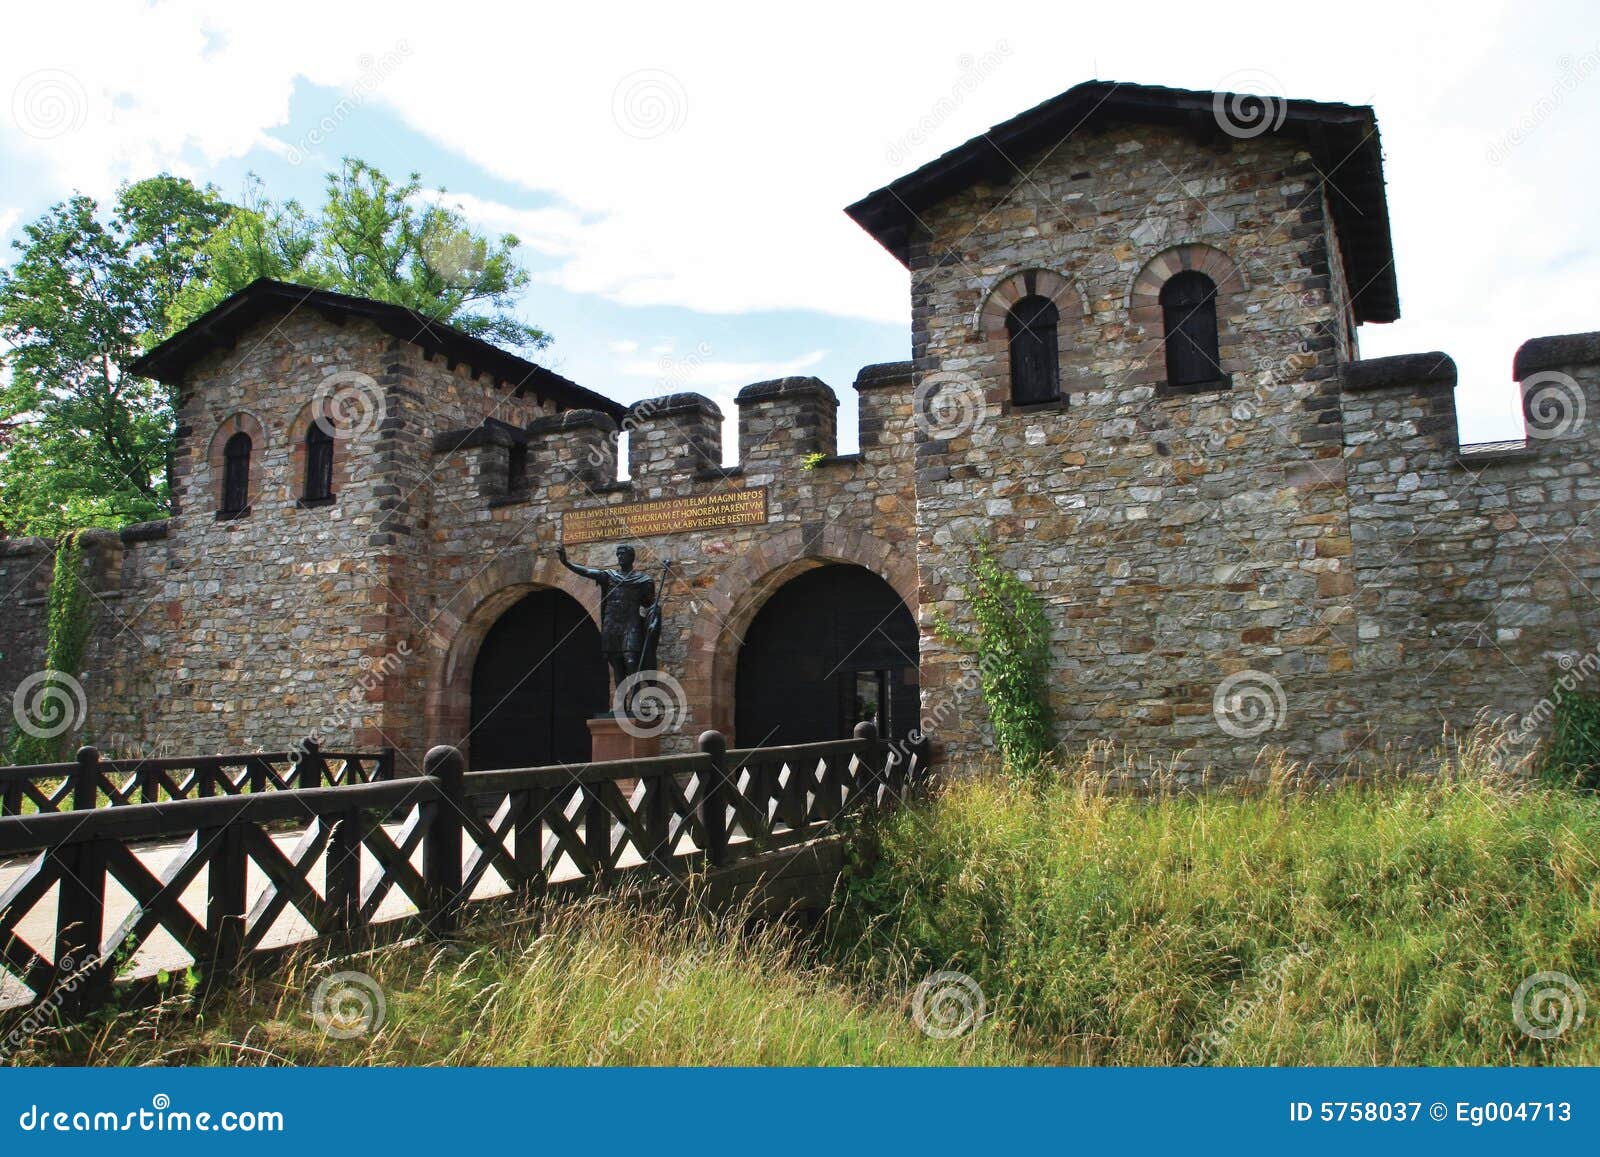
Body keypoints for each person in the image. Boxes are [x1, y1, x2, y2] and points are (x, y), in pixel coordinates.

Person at [556, 543, 657, 711]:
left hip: (631, 624)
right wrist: (566, 563)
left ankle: (636, 702)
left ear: (631, 557)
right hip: (612, 625)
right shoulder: (610, 576)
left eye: (623, 554)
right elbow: (588, 572)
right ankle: (620, 706)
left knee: (631, 662)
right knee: (617, 666)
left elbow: (652, 605)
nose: (620, 558)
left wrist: (653, 621)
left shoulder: (643, 581)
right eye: (618, 555)